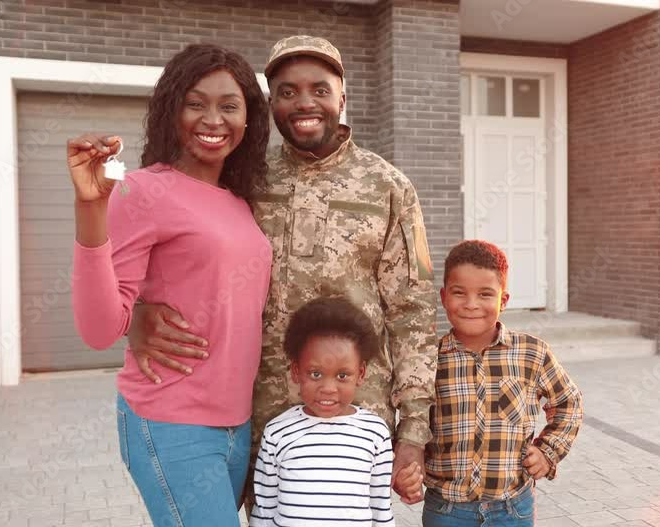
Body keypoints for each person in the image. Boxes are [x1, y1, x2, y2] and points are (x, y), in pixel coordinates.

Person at [123, 35, 438, 507]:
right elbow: (174, 247)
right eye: (287, 91)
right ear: (271, 105)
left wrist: (413, 429)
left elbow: (412, 312)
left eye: (319, 89)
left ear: (342, 97)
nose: (304, 102)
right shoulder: (243, 179)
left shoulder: (389, 186)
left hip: (351, 416)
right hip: (255, 416)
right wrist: (136, 315)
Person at [69, 43, 272, 526]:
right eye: (195, 102)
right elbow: (98, 328)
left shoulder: (241, 201)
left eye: (229, 105)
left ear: (248, 119)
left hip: (238, 424)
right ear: (172, 109)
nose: (213, 119)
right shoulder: (142, 190)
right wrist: (91, 210)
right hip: (171, 419)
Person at [420, 240, 584, 526]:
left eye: (485, 294)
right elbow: (412, 419)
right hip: (446, 509)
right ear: (444, 297)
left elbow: (568, 402)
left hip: (512, 509)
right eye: (460, 293)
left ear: (503, 301)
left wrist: (548, 452)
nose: (471, 304)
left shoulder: (531, 353)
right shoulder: (429, 360)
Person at [250, 297, 420, 526]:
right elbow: (263, 512)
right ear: (296, 372)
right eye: (316, 374)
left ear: (360, 374)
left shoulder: (375, 433)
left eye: (342, 375)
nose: (328, 389)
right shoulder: (277, 433)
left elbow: (381, 510)